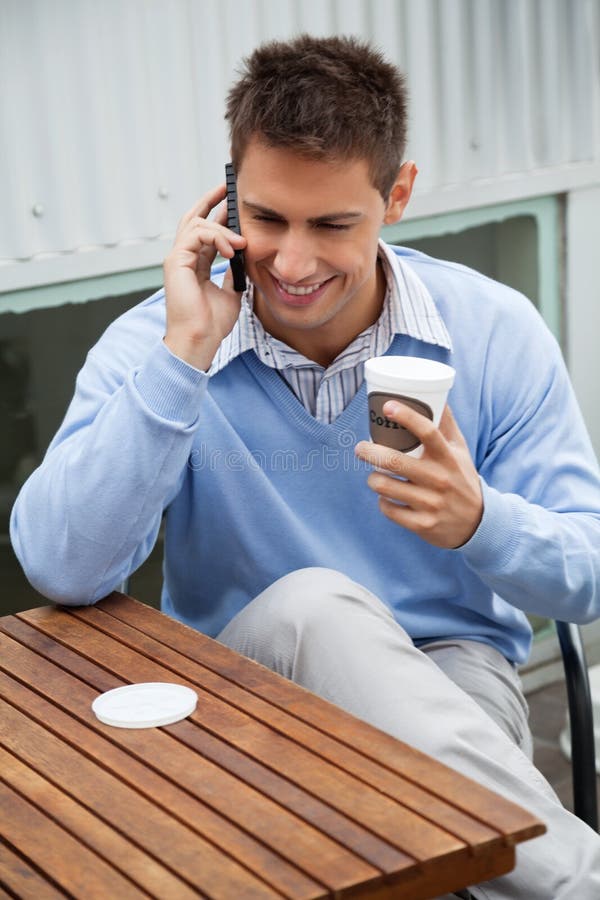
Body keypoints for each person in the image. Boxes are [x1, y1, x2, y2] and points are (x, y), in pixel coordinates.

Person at [10, 34, 600, 898]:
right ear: (227, 198)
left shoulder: (492, 331)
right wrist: (184, 358)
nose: (291, 263)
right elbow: (62, 566)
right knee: (317, 609)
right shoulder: (159, 343)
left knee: (436, 830)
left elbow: (586, 577)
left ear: (397, 194)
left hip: (449, 678)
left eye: (332, 224)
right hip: (237, 695)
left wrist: (482, 522)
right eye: (266, 218)